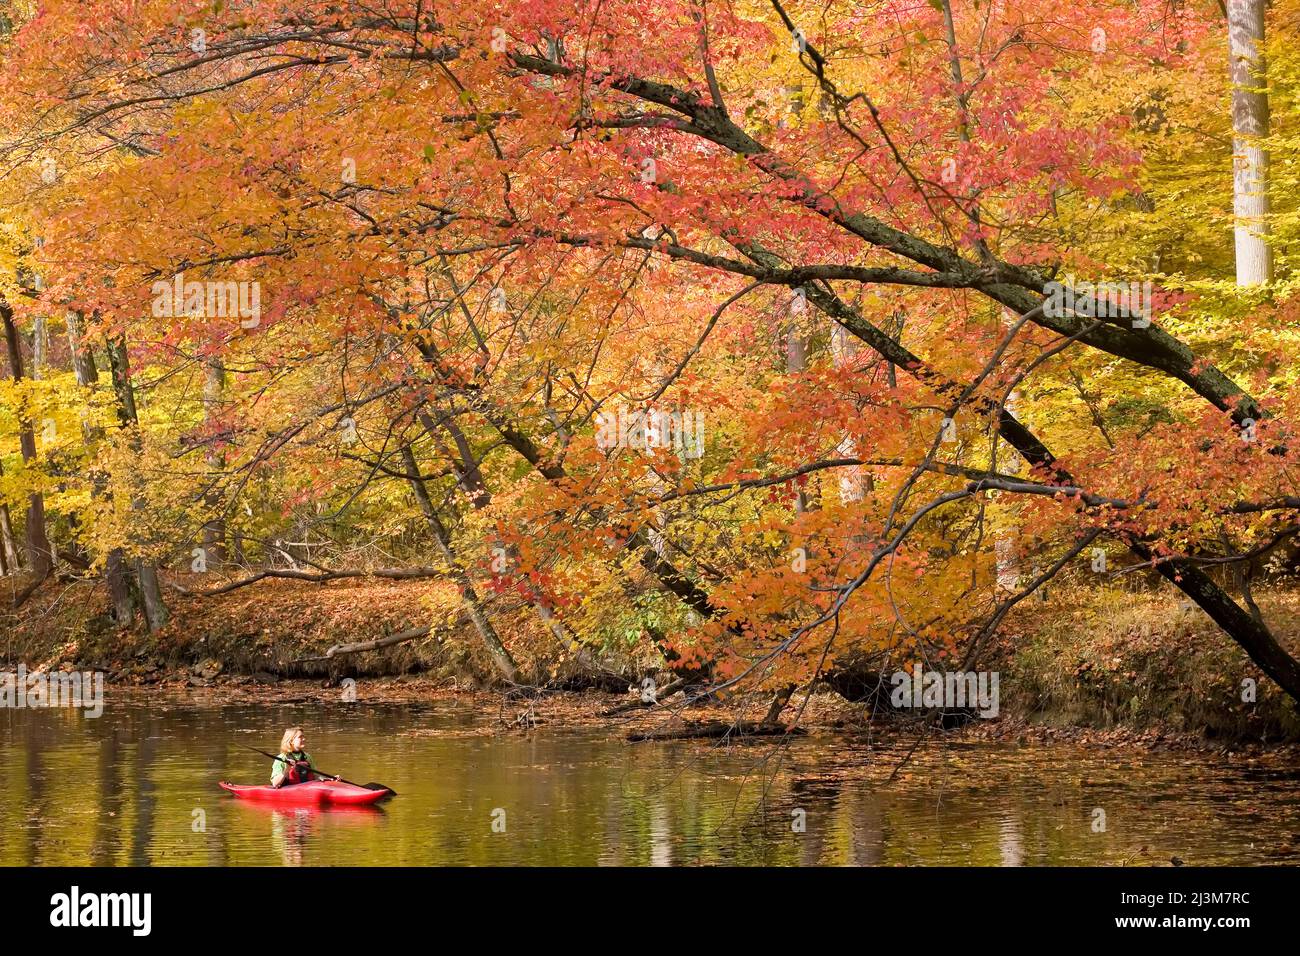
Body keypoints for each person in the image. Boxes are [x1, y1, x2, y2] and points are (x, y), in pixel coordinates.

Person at [270, 727, 337, 787]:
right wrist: (287, 769)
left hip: (307, 789)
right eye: (300, 737)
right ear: (291, 741)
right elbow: (275, 784)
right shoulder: (281, 758)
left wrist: (330, 779)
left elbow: (315, 775)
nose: (304, 739)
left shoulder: (307, 756)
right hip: (289, 790)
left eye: (303, 737)